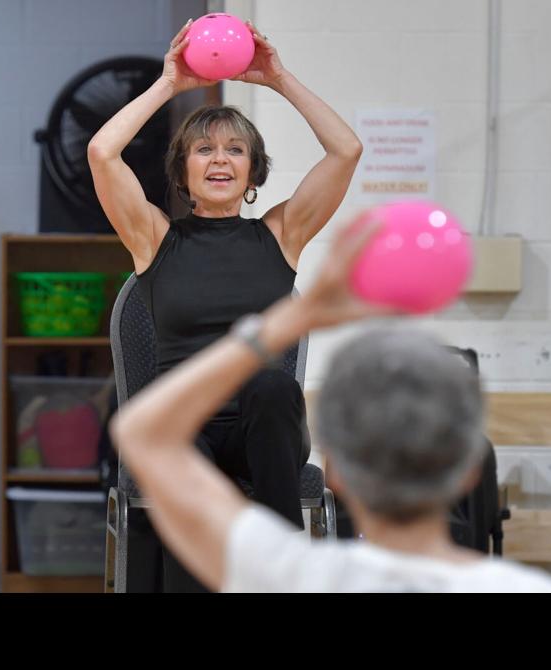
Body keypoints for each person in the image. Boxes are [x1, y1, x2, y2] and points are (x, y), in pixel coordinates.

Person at [109, 218, 551, 593]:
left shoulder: (290, 575)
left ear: (339, 472)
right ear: (470, 470)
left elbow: (141, 433)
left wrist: (293, 319)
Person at [89, 18, 360, 590]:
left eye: (235, 149)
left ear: (252, 171)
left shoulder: (281, 235)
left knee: (272, 386)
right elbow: (103, 152)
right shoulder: (154, 239)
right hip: (186, 428)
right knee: (176, 422)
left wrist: (279, 78)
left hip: (263, 430)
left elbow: (346, 149)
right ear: (183, 172)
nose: (220, 159)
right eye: (203, 149)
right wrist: (169, 83)